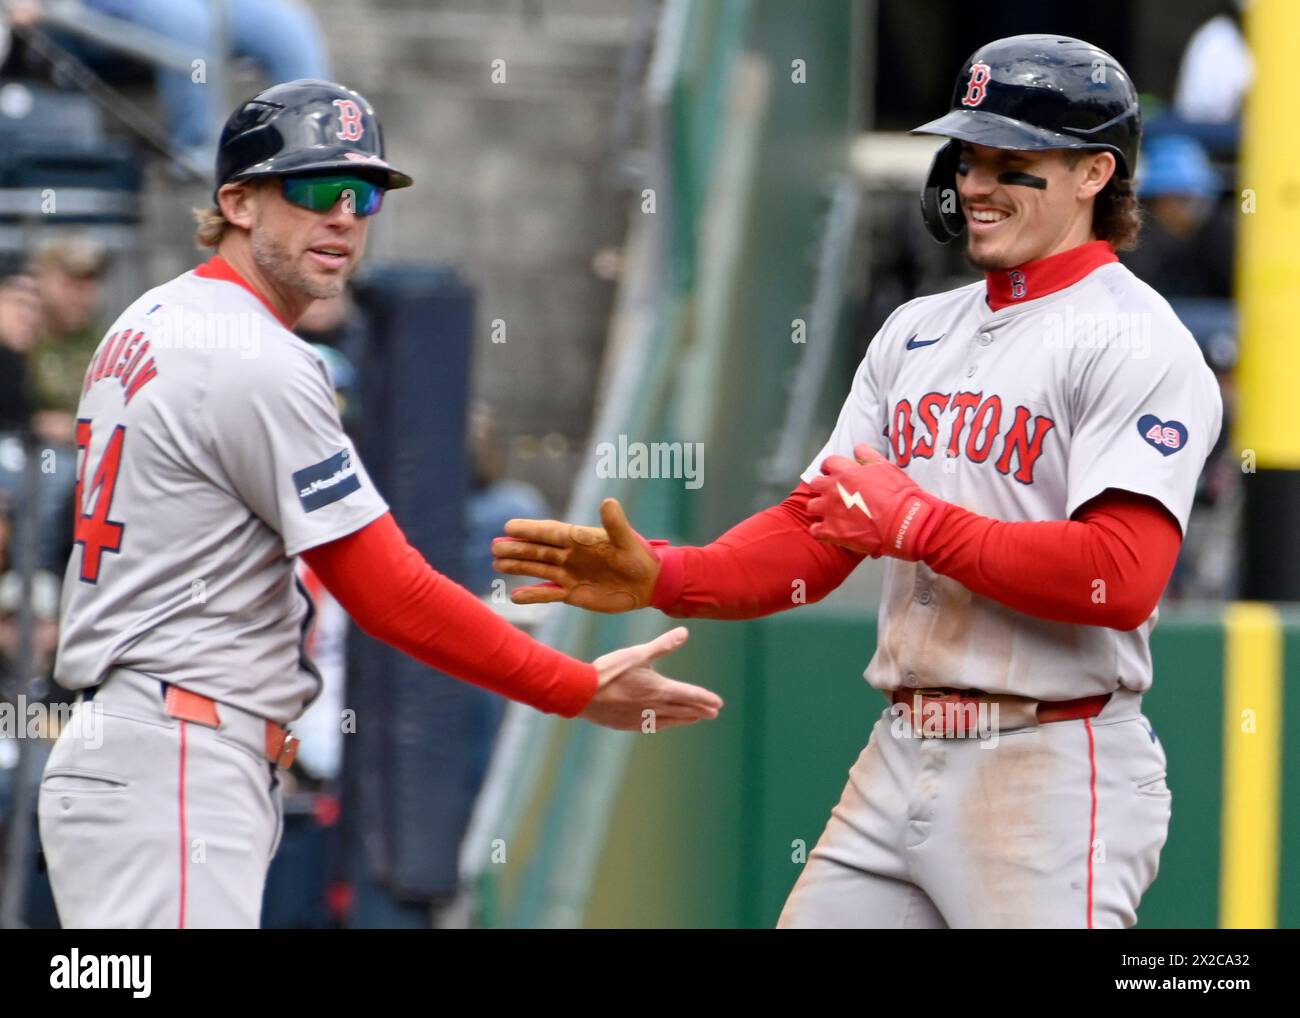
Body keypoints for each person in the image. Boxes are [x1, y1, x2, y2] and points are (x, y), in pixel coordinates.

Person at [493, 36, 1223, 929]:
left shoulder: (1135, 339)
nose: (976, 184)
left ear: (1093, 173)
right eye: (967, 156)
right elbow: (818, 529)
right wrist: (669, 576)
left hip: (1052, 766)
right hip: (899, 753)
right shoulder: (917, 331)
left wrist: (915, 524)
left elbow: (1120, 574)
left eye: (1012, 160)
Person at [39, 79, 722, 930]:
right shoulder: (256, 356)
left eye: (363, 195)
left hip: (132, 754)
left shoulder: (149, 317)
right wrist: (573, 685)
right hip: (175, 761)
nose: (345, 218)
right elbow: (388, 591)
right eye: (317, 188)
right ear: (237, 201)